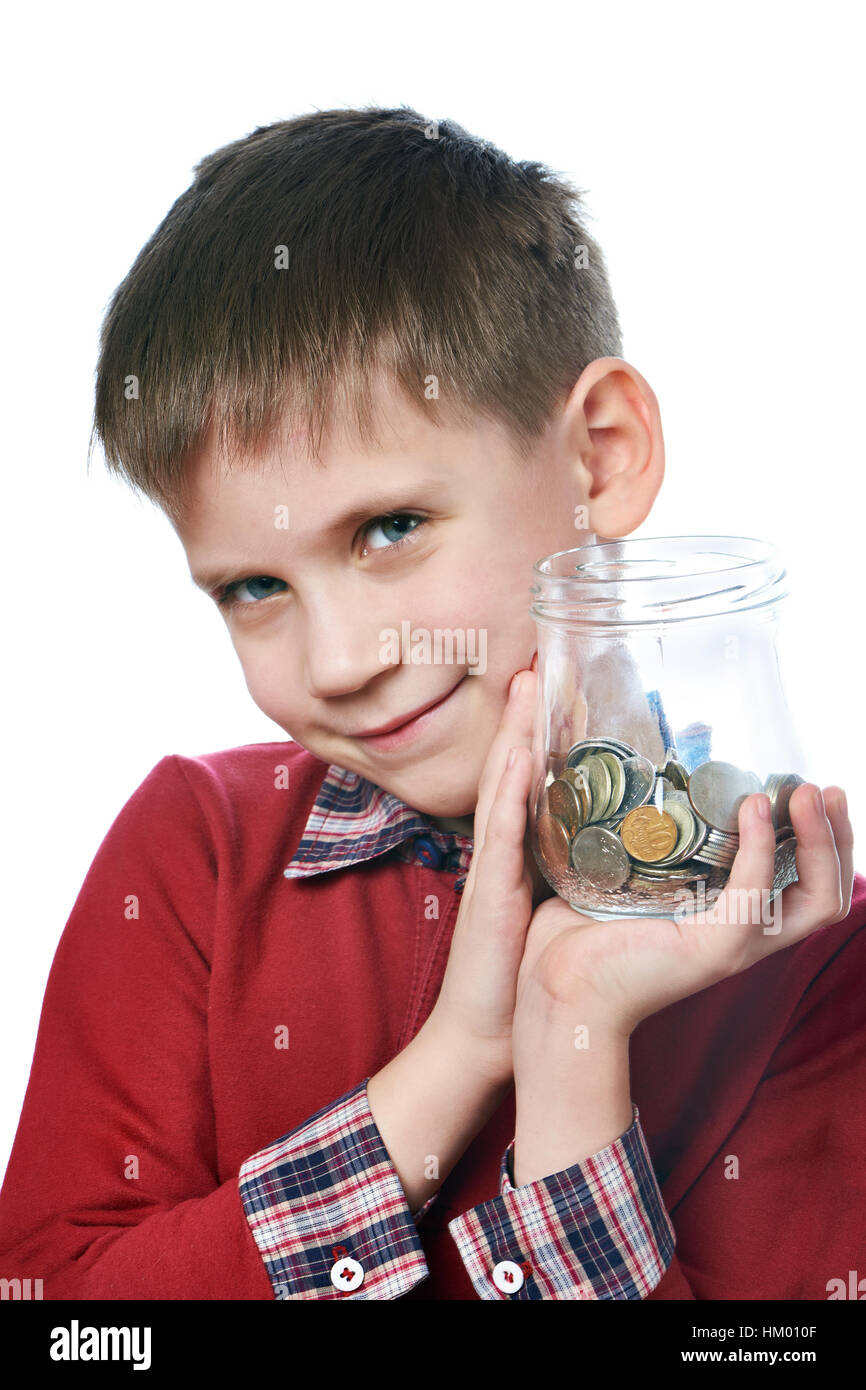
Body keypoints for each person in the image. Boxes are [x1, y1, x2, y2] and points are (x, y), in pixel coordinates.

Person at [0, 106, 859, 1301]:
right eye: (253, 587)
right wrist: (449, 1065)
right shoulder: (194, 849)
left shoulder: (810, 942)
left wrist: (570, 1045)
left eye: (390, 528)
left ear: (597, 459)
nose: (338, 659)